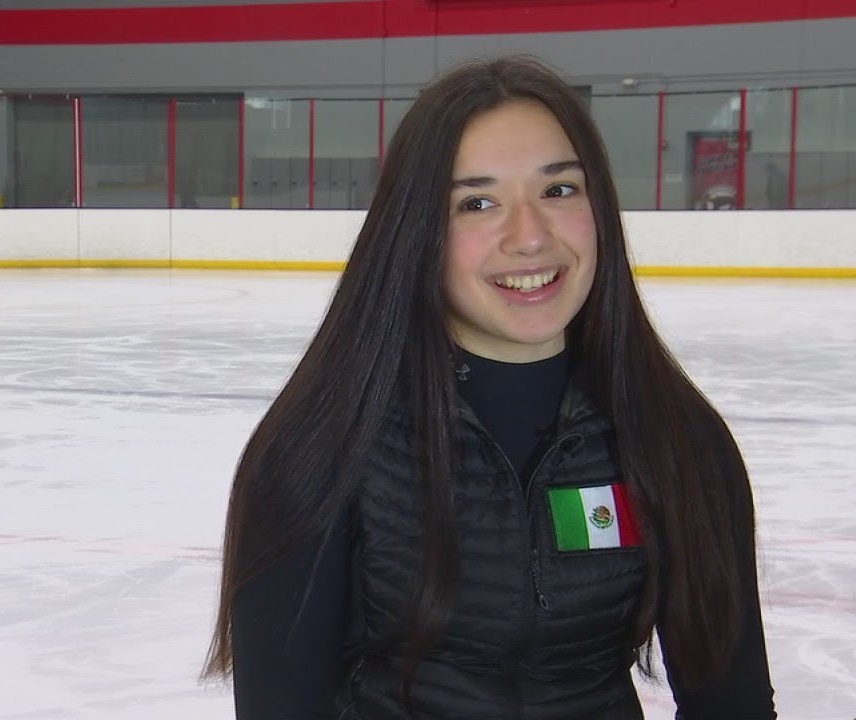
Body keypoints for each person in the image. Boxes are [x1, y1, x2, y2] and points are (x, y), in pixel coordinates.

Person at [200, 56, 776, 719]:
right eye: (477, 202)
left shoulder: (679, 441)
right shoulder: (322, 448)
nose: (529, 237)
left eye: (559, 190)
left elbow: (731, 705)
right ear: (417, 230)